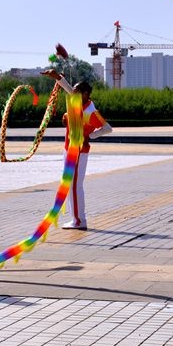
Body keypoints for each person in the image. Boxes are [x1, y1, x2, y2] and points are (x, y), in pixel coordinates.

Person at [42, 70, 113, 230]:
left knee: (75, 185)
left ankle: (80, 221)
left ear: (86, 94)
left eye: (77, 92)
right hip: (69, 149)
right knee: (69, 184)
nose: (73, 94)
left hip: (79, 151)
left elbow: (107, 128)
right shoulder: (78, 102)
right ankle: (76, 219)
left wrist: (91, 135)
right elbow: (68, 89)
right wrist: (58, 77)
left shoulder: (90, 111)